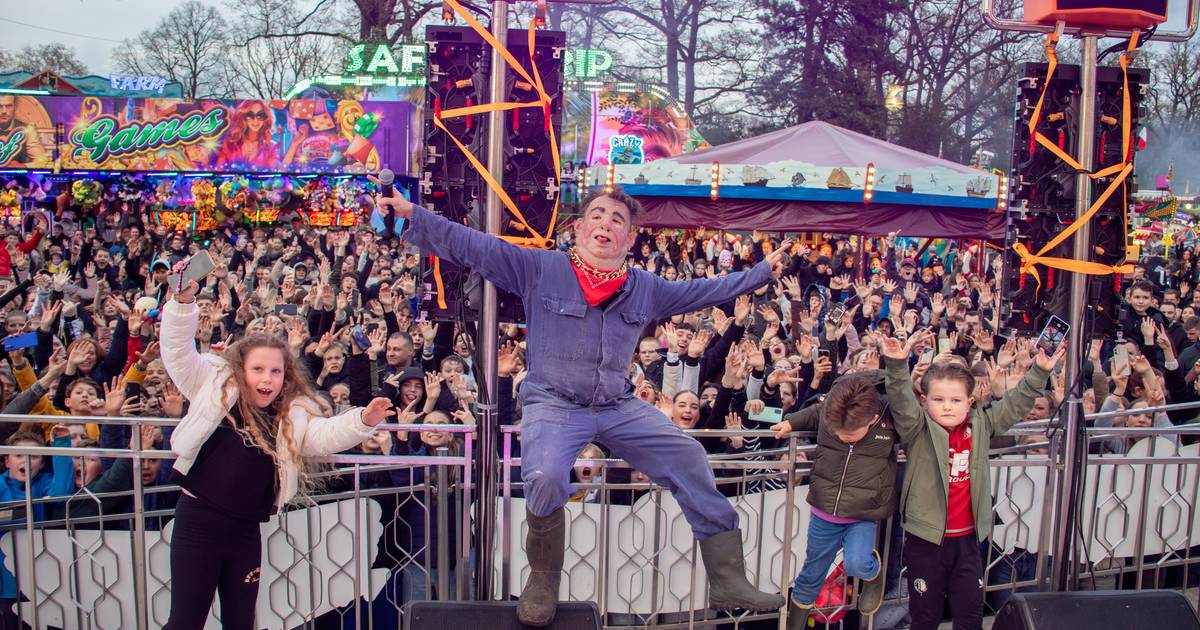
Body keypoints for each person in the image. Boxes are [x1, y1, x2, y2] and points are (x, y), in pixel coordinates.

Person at [374, 183, 789, 626]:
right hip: (553, 403)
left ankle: (727, 578)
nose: (605, 224)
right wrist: (411, 212)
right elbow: (474, 245)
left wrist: (761, 271)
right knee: (547, 475)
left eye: (617, 220)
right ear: (578, 228)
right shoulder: (541, 268)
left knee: (689, 454)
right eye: (597, 215)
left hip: (617, 404)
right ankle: (544, 577)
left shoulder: (645, 287)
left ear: (629, 239)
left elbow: (706, 289)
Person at [159, 273, 397, 630]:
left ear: (286, 375)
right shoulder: (214, 386)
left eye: (275, 371)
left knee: (241, 623)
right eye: (257, 369)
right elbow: (178, 353)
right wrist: (182, 305)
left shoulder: (294, 412)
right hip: (198, 522)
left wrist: (363, 419)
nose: (266, 379)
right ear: (241, 368)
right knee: (185, 622)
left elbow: (323, 435)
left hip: (245, 530)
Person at [880, 329, 1061, 630]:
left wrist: (1040, 371)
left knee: (970, 616)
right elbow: (900, 401)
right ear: (924, 401)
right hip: (926, 540)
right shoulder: (917, 429)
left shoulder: (983, 423)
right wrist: (897, 367)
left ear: (970, 400)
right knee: (925, 617)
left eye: (955, 399)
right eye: (938, 399)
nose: (947, 406)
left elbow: (1017, 403)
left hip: (968, 540)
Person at [770, 373, 896, 628]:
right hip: (825, 512)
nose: (841, 436)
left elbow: (916, 424)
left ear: (872, 420)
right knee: (811, 575)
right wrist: (791, 422)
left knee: (857, 563)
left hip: (862, 513)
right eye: (836, 431)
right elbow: (815, 413)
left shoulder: (888, 418)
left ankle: (874, 575)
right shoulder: (831, 410)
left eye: (849, 434)